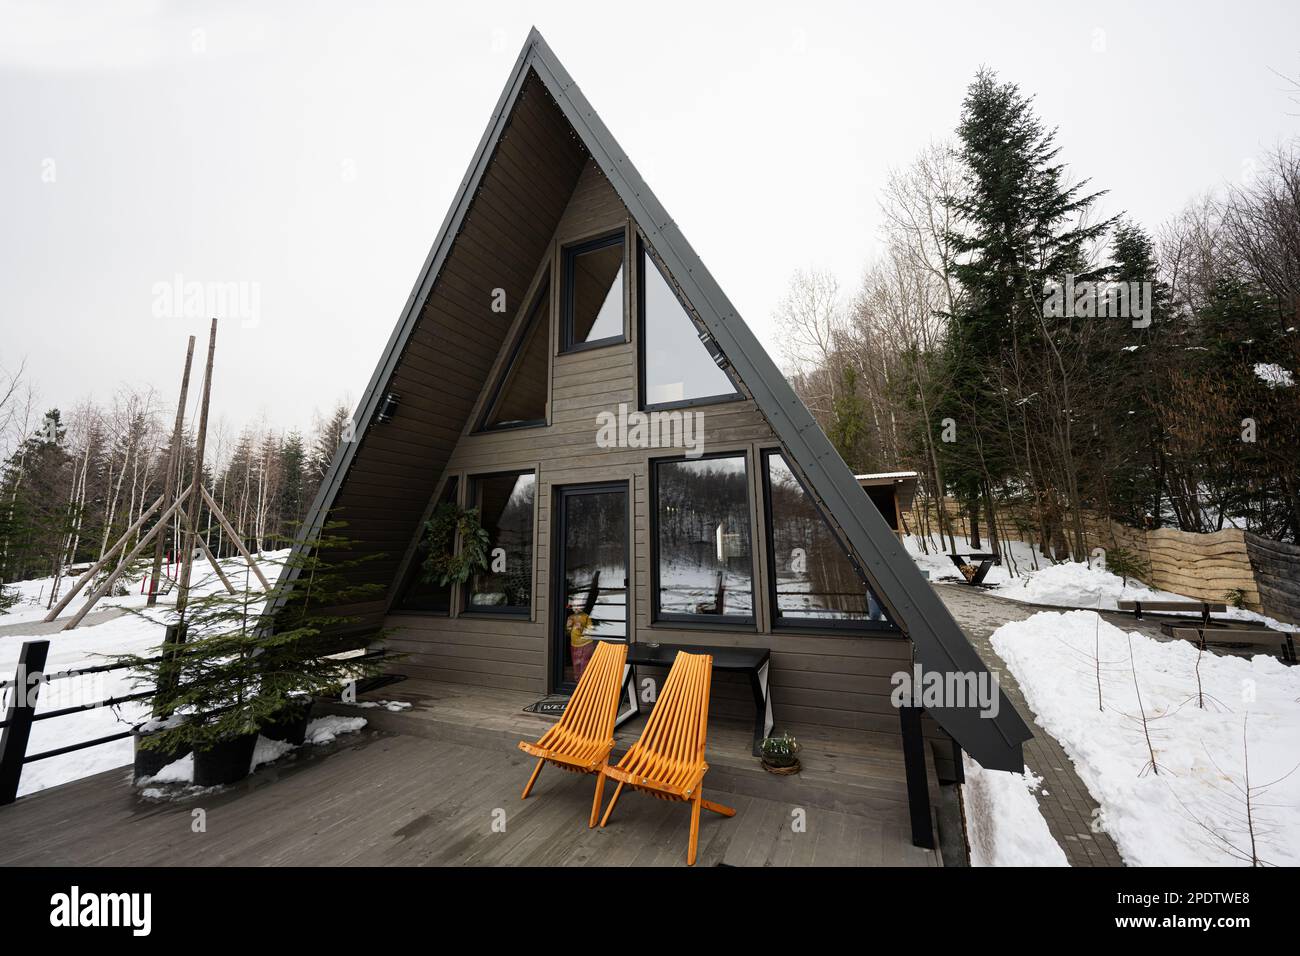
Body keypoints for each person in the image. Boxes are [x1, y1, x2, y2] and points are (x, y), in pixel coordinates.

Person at [566, 600, 595, 680]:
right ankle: (577, 680)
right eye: (575, 606)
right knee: (576, 663)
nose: (577, 608)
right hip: (574, 644)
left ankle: (584, 680)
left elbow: (590, 630)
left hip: (585, 644)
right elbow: (567, 633)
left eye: (579, 606)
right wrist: (568, 627)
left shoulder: (586, 617)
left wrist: (581, 628)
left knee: (584, 664)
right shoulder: (571, 617)